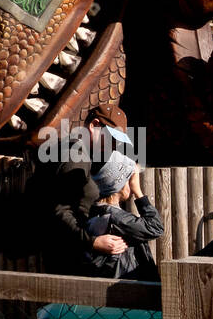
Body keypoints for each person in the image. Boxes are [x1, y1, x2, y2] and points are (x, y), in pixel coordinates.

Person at [26, 104, 134, 275]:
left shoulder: (77, 149)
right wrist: (92, 242)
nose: (116, 145)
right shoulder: (75, 158)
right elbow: (58, 210)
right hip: (64, 257)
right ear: (94, 126)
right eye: (113, 138)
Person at [85, 152, 164, 280]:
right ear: (120, 185)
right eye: (129, 180)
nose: (132, 184)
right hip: (129, 290)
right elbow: (155, 227)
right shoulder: (116, 218)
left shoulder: (95, 211)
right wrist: (138, 192)